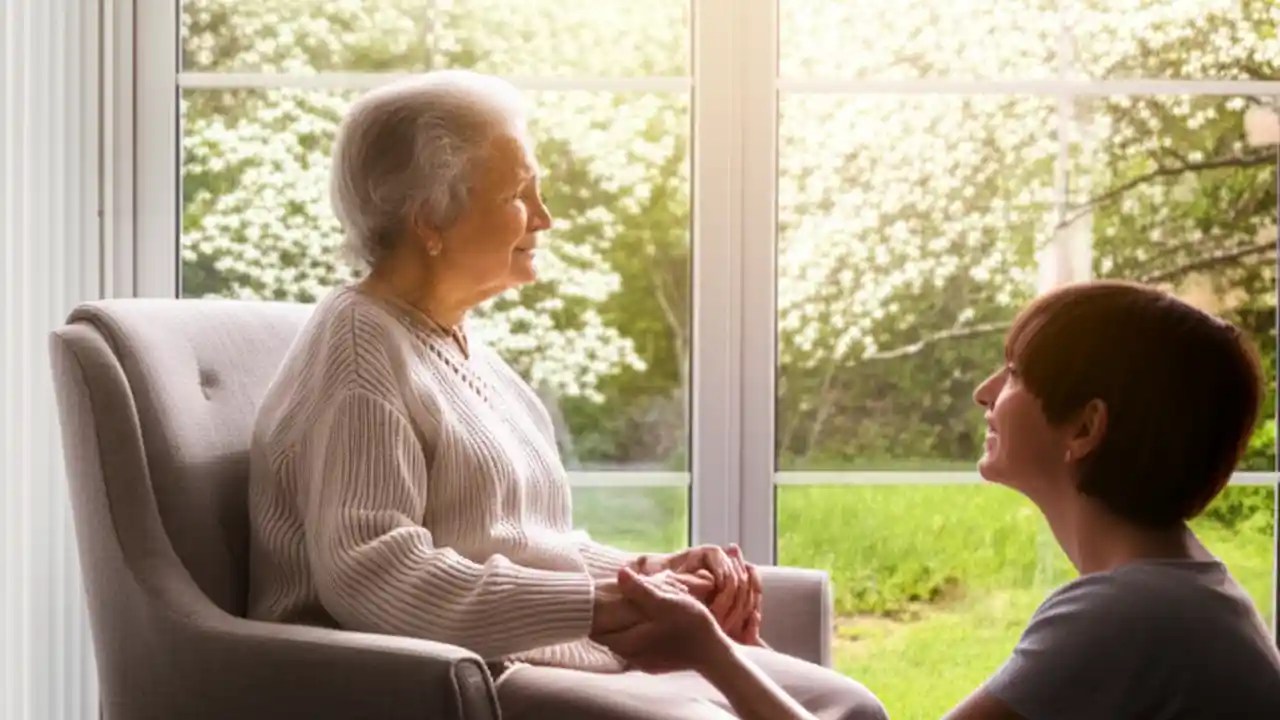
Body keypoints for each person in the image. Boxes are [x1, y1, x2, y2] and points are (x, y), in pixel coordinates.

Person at [246, 70, 886, 720]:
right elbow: (373, 576)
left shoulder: (468, 352)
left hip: (551, 655)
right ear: (430, 220)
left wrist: (647, 570)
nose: (546, 217)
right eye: (520, 194)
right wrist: (604, 605)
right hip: (445, 675)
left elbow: (526, 542)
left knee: (850, 705)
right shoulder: (359, 347)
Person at [599, 281, 1280, 719]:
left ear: (1084, 428)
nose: (985, 392)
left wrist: (709, 652)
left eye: (1015, 372)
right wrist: (744, 656)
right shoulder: (1177, 598)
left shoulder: (1128, 616)